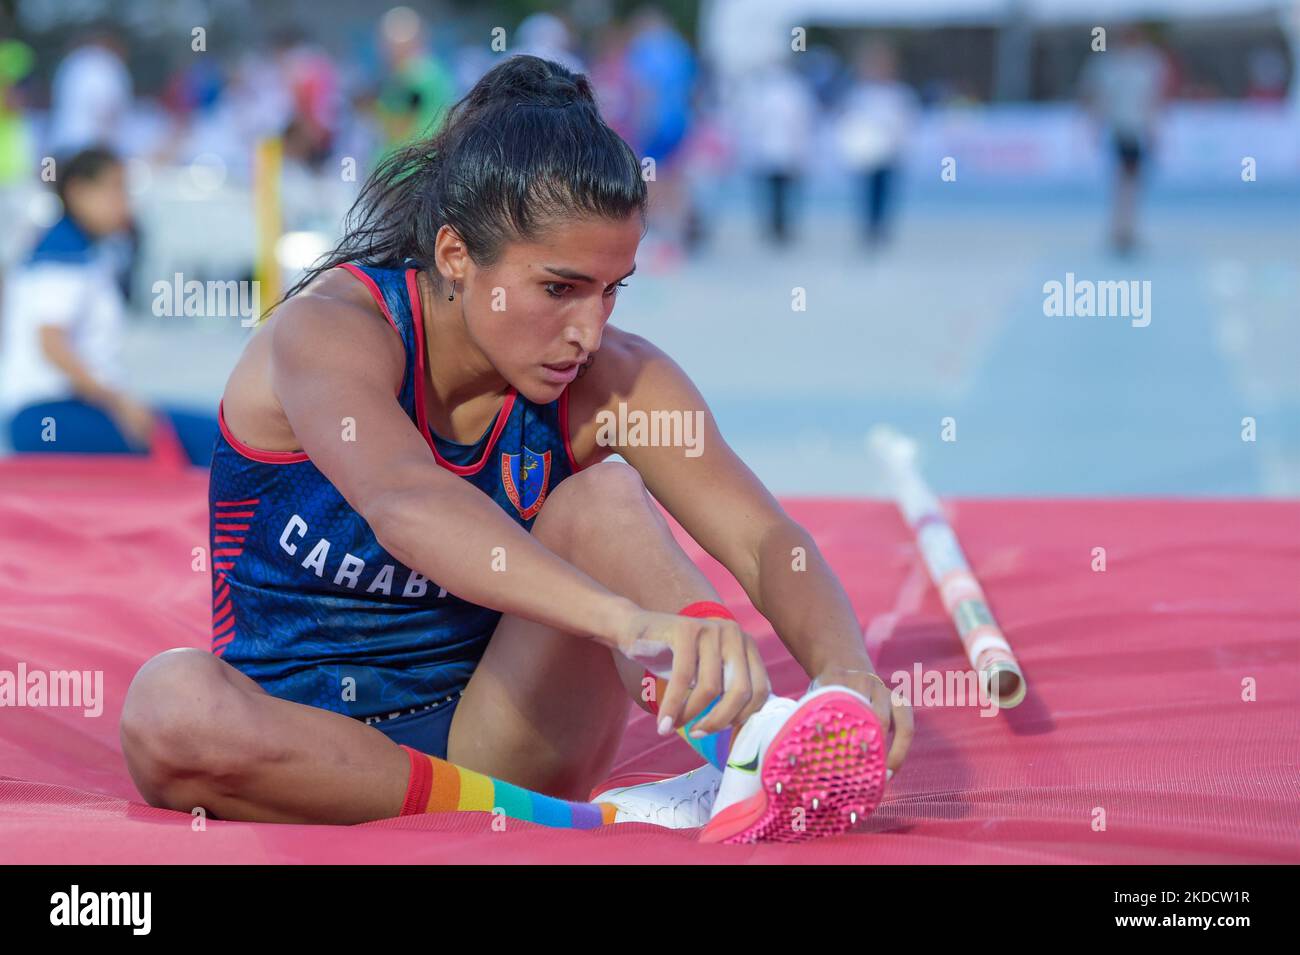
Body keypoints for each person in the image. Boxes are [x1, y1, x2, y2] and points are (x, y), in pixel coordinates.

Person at [119, 56, 911, 843]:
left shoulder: (615, 380)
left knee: (604, 499)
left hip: (495, 738)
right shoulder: (330, 331)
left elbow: (768, 539)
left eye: (614, 289)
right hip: (292, 744)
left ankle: (746, 752)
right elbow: (406, 500)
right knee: (169, 704)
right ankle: (584, 821)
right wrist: (623, 621)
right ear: (457, 255)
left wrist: (846, 668)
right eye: (560, 289)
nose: (588, 332)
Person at [0, 147, 216, 463]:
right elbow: (51, 344)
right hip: (47, 415)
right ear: (77, 192)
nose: (125, 202)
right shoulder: (62, 255)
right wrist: (120, 403)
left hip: (57, 411)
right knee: (208, 439)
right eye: (115, 188)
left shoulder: (84, 251)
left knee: (202, 433)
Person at [1079, 25, 1170, 255]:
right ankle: (1123, 230)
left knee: (1128, 183)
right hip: (1123, 129)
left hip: (1131, 129)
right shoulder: (1116, 65)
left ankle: (1124, 229)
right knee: (1126, 182)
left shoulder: (1140, 65)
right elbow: (1101, 98)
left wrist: (1152, 130)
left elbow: (1151, 100)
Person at [837, 41, 917, 248]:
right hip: (867, 153)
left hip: (889, 153)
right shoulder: (860, 94)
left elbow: (906, 124)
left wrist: (899, 146)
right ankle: (869, 227)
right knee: (867, 192)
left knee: (885, 192)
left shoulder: (899, 94)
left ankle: (880, 227)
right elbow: (850, 122)